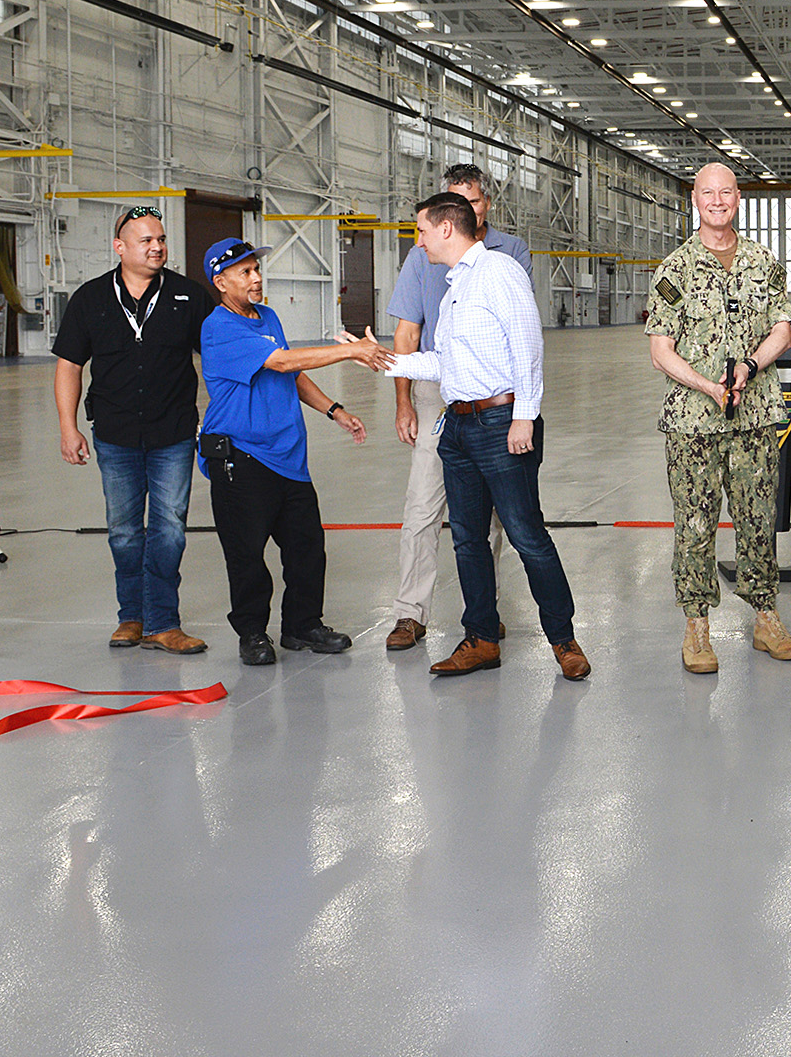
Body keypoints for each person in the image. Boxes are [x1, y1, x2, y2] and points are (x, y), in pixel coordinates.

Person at [386, 196, 590, 680]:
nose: (418, 241)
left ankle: (564, 639)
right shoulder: (454, 287)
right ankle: (480, 638)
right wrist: (379, 358)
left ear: (446, 229)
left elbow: (528, 343)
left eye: (421, 230)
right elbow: (444, 363)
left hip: (501, 425)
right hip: (456, 426)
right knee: (468, 539)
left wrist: (525, 417)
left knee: (525, 535)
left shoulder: (498, 270)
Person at [198, 237, 395, 665]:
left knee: (306, 547)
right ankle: (252, 633)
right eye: (245, 272)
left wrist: (334, 409)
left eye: (256, 269)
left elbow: (292, 371)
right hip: (240, 456)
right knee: (247, 553)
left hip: (287, 454)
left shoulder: (266, 316)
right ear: (221, 281)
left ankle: (302, 625)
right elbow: (281, 363)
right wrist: (352, 350)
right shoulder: (218, 328)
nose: (256, 278)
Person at [646, 162, 791, 674]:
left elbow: (782, 330)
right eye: (708, 193)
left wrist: (753, 365)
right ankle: (696, 626)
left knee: (758, 519)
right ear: (695, 199)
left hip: (755, 414)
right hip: (693, 420)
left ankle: (765, 616)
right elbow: (661, 351)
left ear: (739, 197)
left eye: (726, 192)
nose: (718, 201)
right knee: (695, 522)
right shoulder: (675, 269)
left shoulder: (764, 263)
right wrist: (707, 385)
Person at [385, 162, 534, 651]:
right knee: (422, 506)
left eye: (469, 201)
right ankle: (410, 613)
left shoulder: (508, 254)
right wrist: (403, 399)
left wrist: (522, 413)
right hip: (437, 389)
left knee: (490, 520)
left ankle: (483, 616)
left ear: (484, 205)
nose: (458, 212)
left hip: (493, 399)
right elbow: (408, 332)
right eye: (451, 201)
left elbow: (522, 338)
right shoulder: (420, 255)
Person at [52, 204, 214, 655]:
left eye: (160, 239)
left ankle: (163, 622)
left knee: (169, 529)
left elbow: (216, 359)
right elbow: (69, 366)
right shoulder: (90, 298)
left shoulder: (188, 296)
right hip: (115, 433)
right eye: (146, 240)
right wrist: (68, 427)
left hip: (174, 432)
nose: (157, 247)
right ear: (119, 247)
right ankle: (131, 616)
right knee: (123, 530)